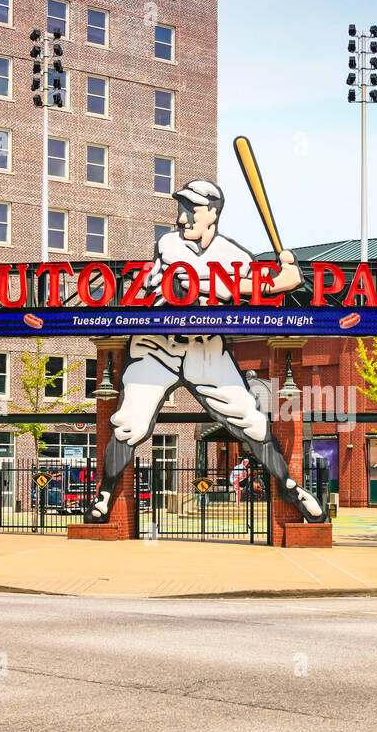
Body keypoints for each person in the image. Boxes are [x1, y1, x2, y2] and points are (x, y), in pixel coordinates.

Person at [88, 179, 324, 524]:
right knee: (129, 424)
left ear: (213, 213)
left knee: (254, 423)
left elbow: (263, 289)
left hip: (206, 348)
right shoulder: (170, 244)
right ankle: (105, 494)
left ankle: (291, 488)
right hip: (157, 345)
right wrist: (276, 282)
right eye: (181, 210)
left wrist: (289, 274)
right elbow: (195, 282)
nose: (182, 219)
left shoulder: (236, 255)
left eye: (191, 210)